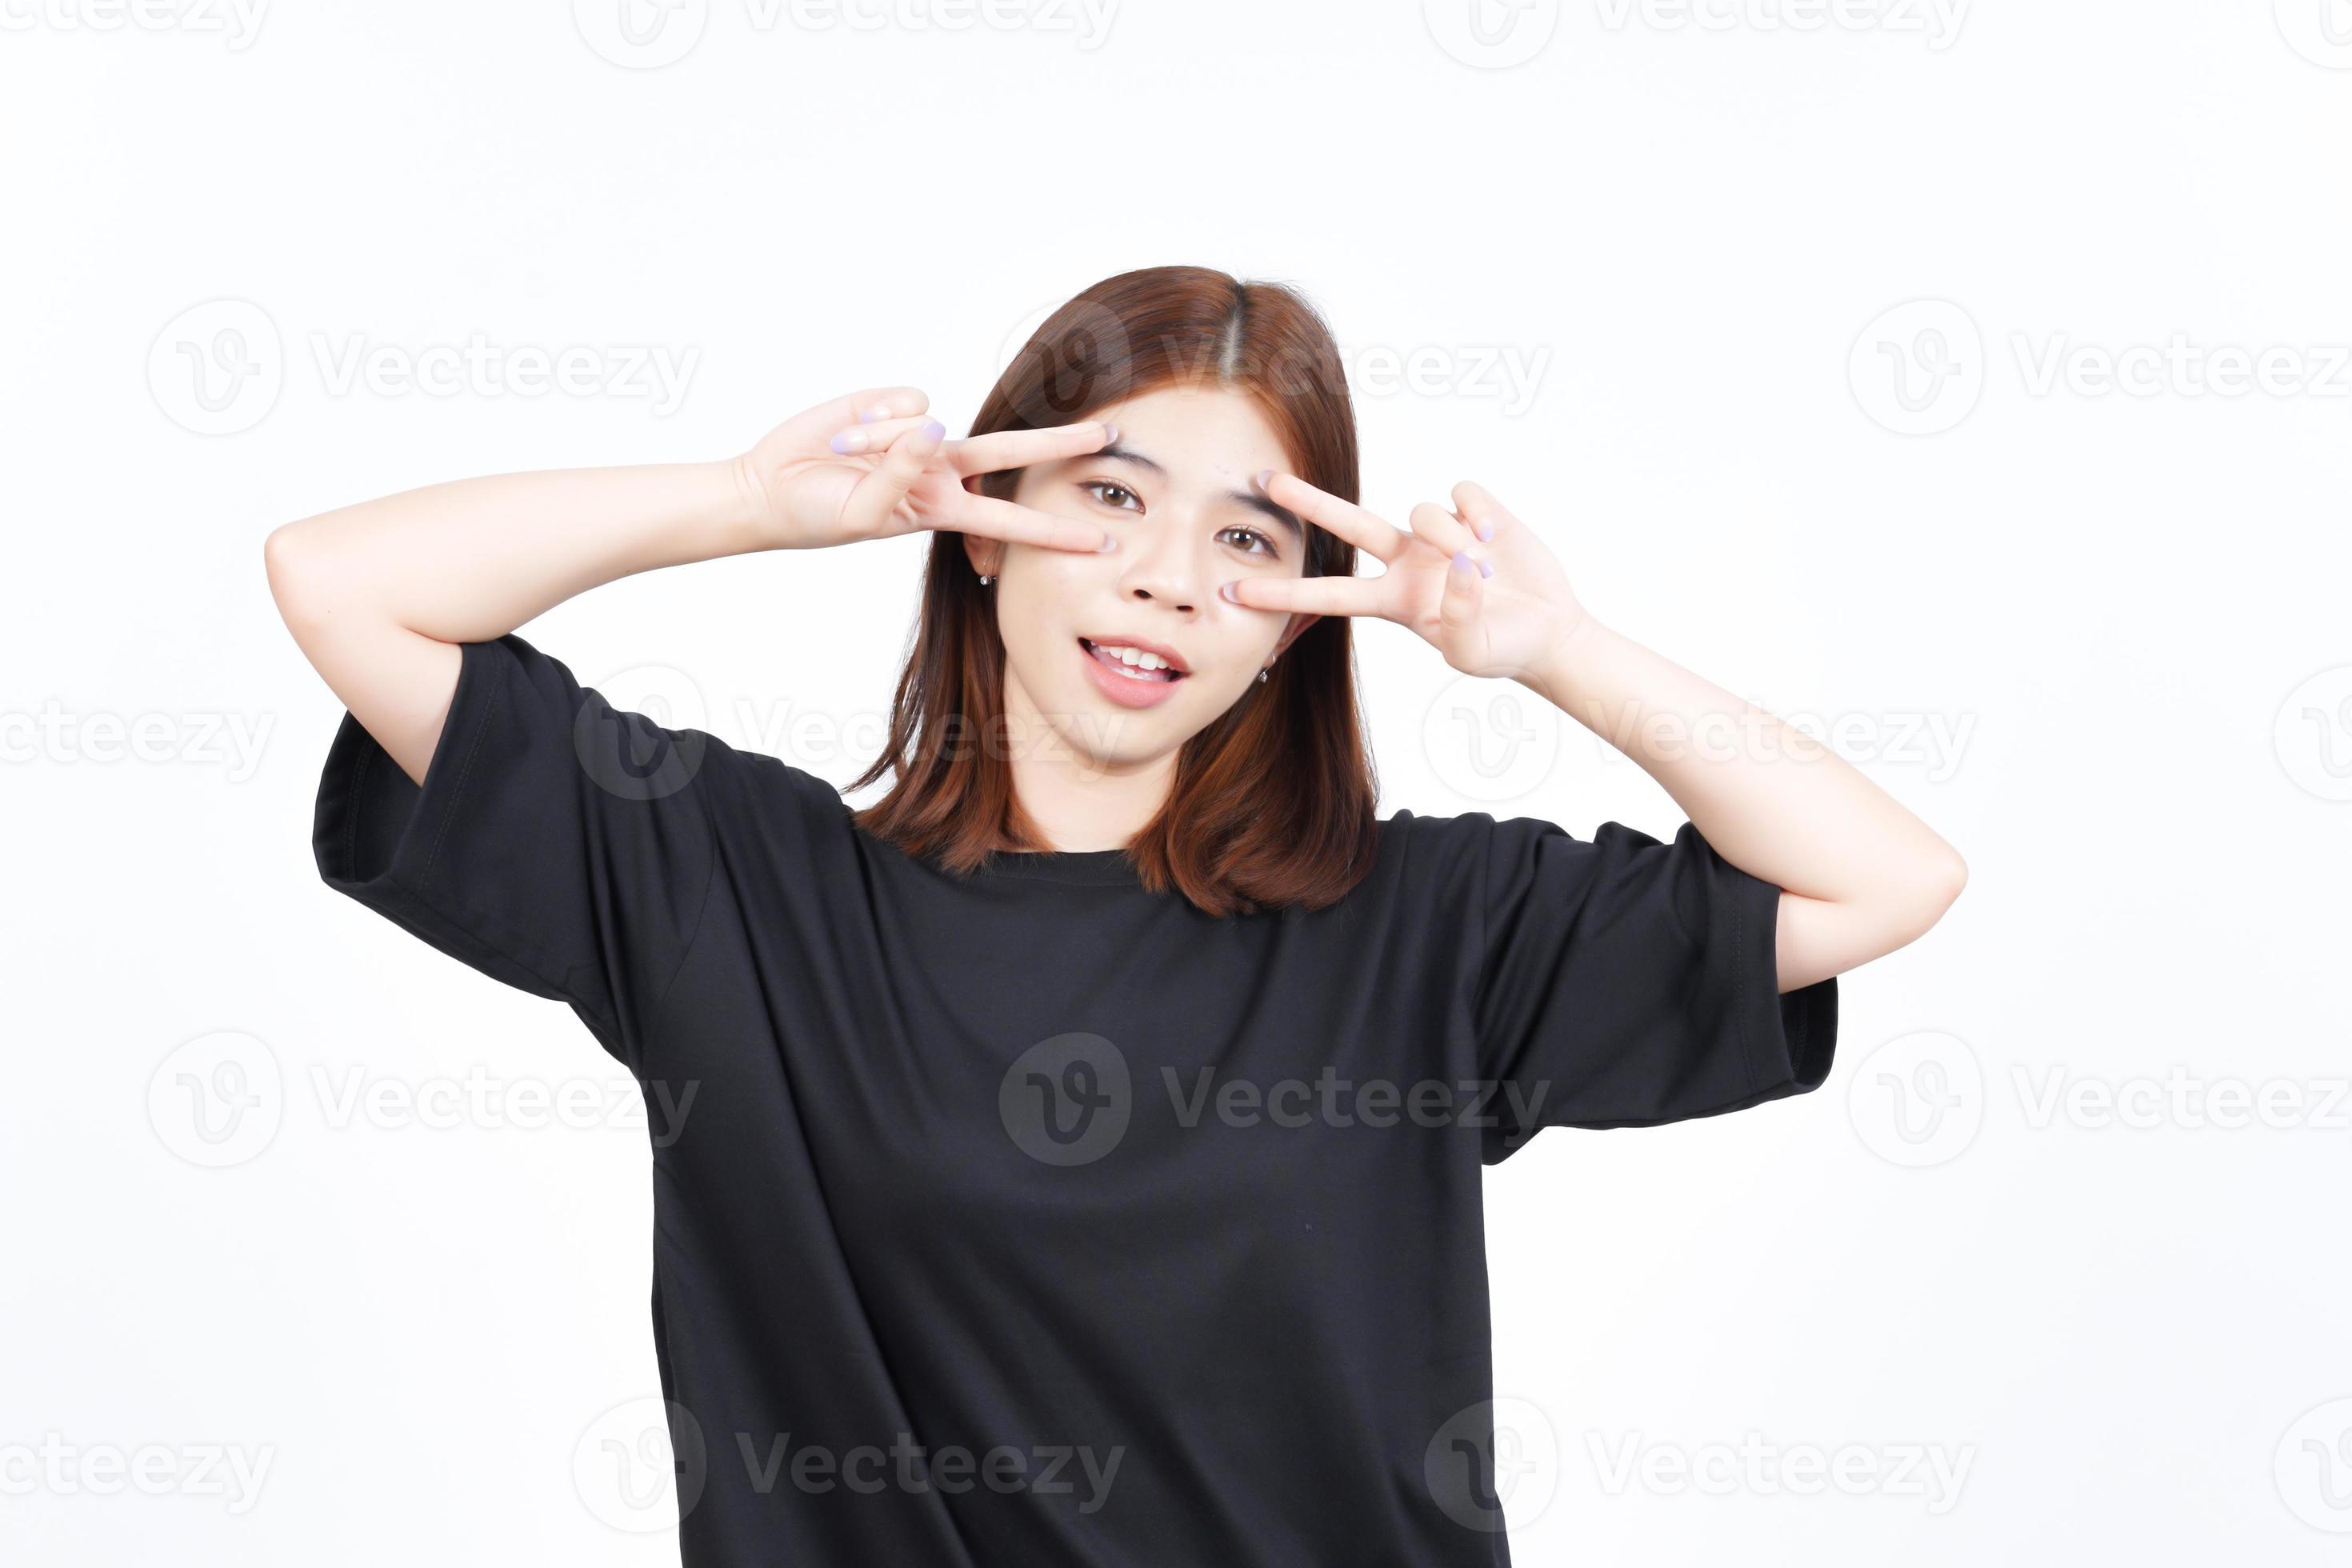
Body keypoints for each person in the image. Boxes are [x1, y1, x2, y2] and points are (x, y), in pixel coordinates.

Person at [264, 265, 1964, 1566]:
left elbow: (1882, 877)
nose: (1168, 577)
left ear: (1295, 618)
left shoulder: (1429, 929)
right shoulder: (736, 888)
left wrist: (1554, 648)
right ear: (984, 530)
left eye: (1249, 539)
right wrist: (747, 504)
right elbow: (340, 584)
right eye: (1110, 496)